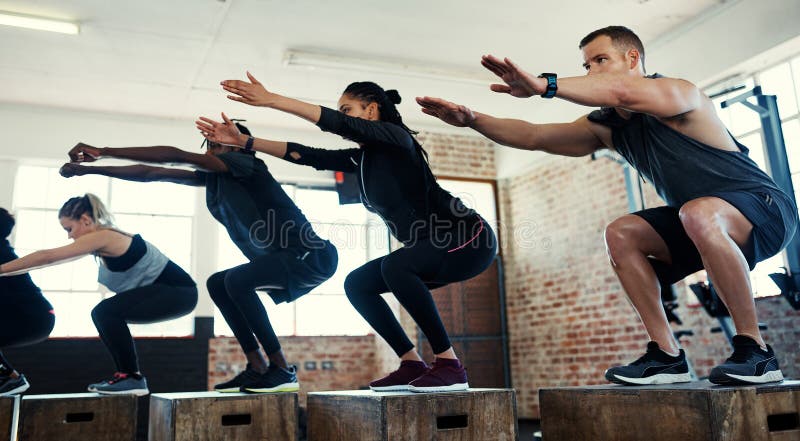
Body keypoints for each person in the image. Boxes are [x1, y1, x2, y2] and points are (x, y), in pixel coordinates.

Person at [416, 25, 797, 385]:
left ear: (632, 59)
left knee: (696, 211)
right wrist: (473, 119)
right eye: (586, 65)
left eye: (600, 60)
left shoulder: (679, 93)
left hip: (764, 210)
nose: (591, 70)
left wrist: (544, 85)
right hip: (701, 224)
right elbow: (535, 136)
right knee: (621, 233)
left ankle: (757, 352)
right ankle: (667, 355)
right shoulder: (607, 126)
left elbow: (622, 92)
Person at [196, 76, 497, 392]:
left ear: (370, 111)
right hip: (432, 247)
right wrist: (246, 143)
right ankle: (411, 362)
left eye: (348, 108)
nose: (344, 115)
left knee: (395, 266)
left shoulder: (398, 139)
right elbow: (306, 154)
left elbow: (335, 124)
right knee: (358, 284)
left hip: (469, 239)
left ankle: (449, 365)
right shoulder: (363, 158)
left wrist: (273, 99)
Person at [62, 122, 338, 393]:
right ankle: (258, 367)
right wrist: (91, 171)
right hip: (289, 258)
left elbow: (175, 157)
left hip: (311, 254)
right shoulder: (215, 179)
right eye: (211, 145)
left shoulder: (249, 166)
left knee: (237, 280)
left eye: (221, 144)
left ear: (242, 148)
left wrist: (104, 150)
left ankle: (281, 370)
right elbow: (152, 173)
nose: (212, 150)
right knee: (218, 283)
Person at [0, 195, 198, 395]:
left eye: (69, 229)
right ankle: (128, 376)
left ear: (85, 220)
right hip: (172, 295)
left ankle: (131, 377)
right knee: (106, 313)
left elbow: (47, 257)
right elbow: (43, 262)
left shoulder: (105, 236)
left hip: (180, 292)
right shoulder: (99, 246)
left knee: (105, 312)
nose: (69, 236)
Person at [0, 208, 55, 396]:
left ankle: (10, 378)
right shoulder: (4, 248)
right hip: (35, 317)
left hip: (32, 318)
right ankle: (10, 378)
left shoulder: (2, 252)